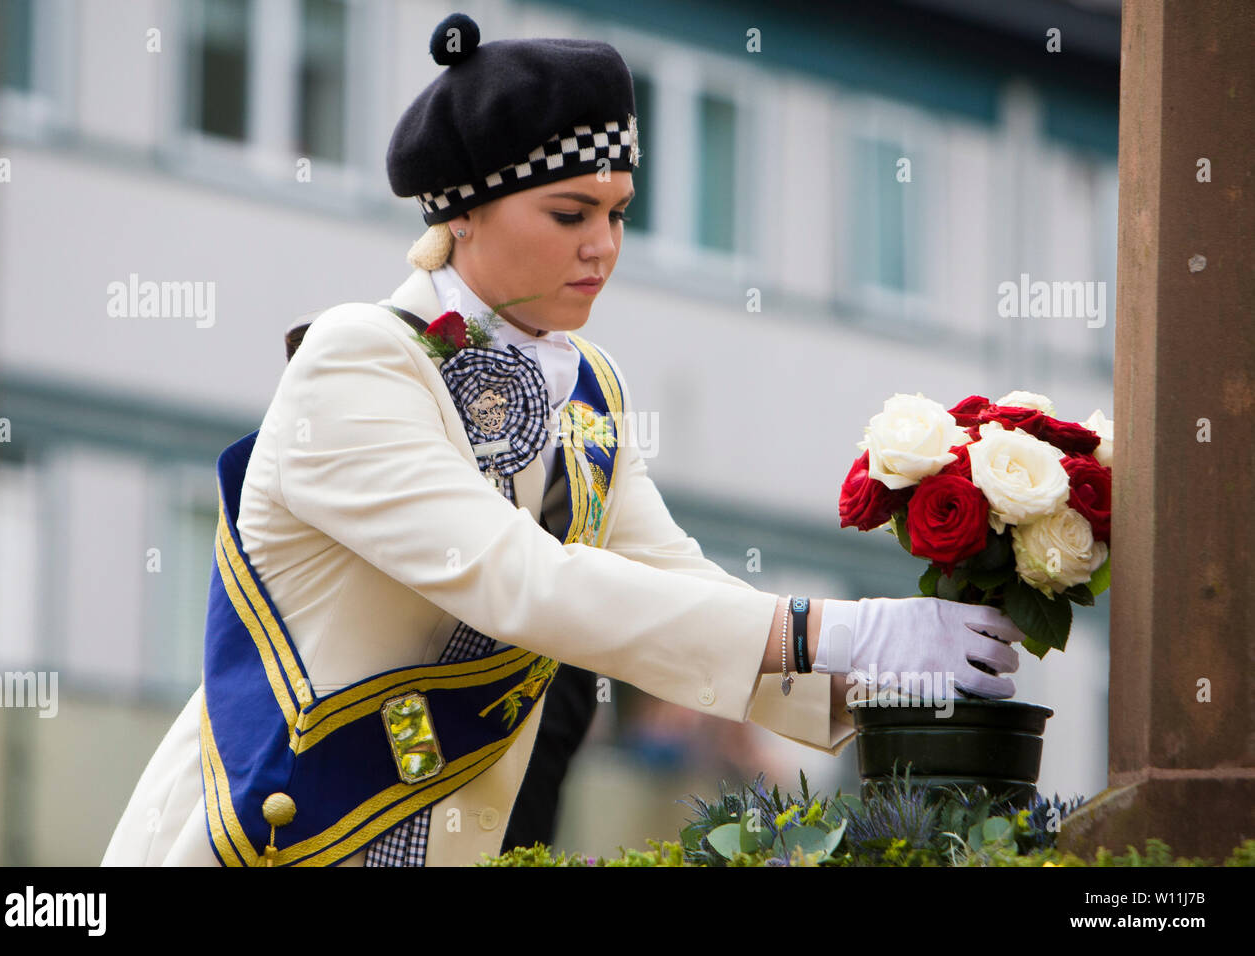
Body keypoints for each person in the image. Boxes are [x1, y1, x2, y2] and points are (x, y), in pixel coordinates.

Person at [101, 13, 1023, 868]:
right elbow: (518, 579)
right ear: (460, 210)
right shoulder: (357, 360)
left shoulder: (589, 384)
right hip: (278, 832)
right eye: (570, 214)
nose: (604, 248)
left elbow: (669, 578)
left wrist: (880, 680)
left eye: (619, 213)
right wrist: (840, 630)